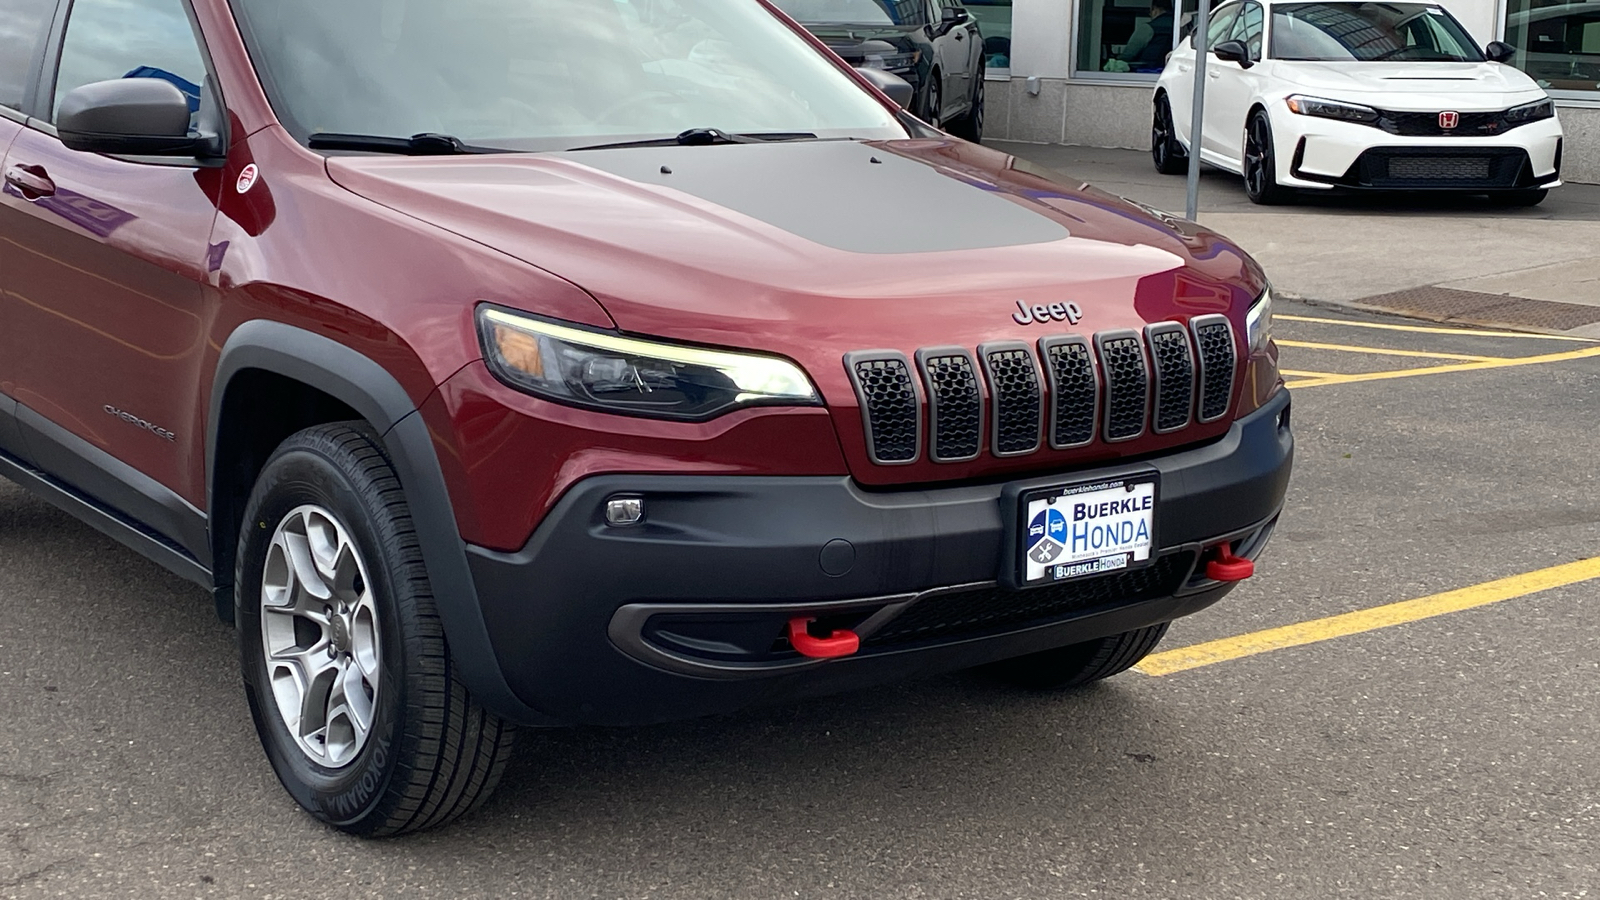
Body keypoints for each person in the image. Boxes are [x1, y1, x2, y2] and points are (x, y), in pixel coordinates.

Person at [1117, 0, 1174, 70]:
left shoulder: (1148, 28)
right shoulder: (1179, 28)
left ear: (1155, 9)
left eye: (1150, 12)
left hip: (1145, 72)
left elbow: (1128, 55)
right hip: (1171, 71)